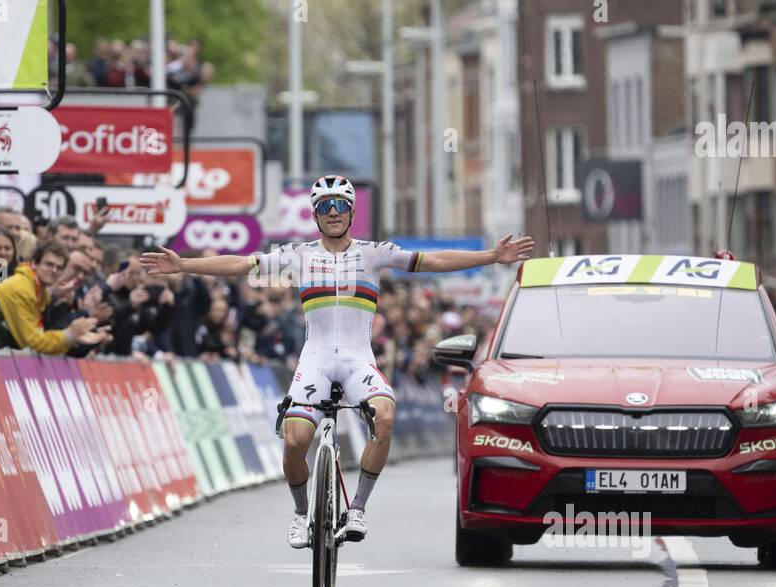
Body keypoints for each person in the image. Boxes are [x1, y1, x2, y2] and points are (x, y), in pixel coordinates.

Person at [141, 174, 535, 548]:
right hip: (313, 362)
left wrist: (491, 256)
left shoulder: (374, 253)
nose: (333, 211)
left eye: (341, 205)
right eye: (325, 205)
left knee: (384, 417)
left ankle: (358, 508)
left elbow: (431, 261)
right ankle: (300, 513)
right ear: (315, 215)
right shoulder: (297, 256)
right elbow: (242, 265)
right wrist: (183, 265)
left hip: (358, 361)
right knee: (295, 442)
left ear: (351, 213)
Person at [0, 240, 104, 354]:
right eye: (49, 264)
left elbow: (39, 336)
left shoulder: (39, 291)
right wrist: (69, 335)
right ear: (34, 263)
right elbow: (31, 343)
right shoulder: (22, 288)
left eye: (59, 268)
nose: (54, 270)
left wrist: (71, 338)